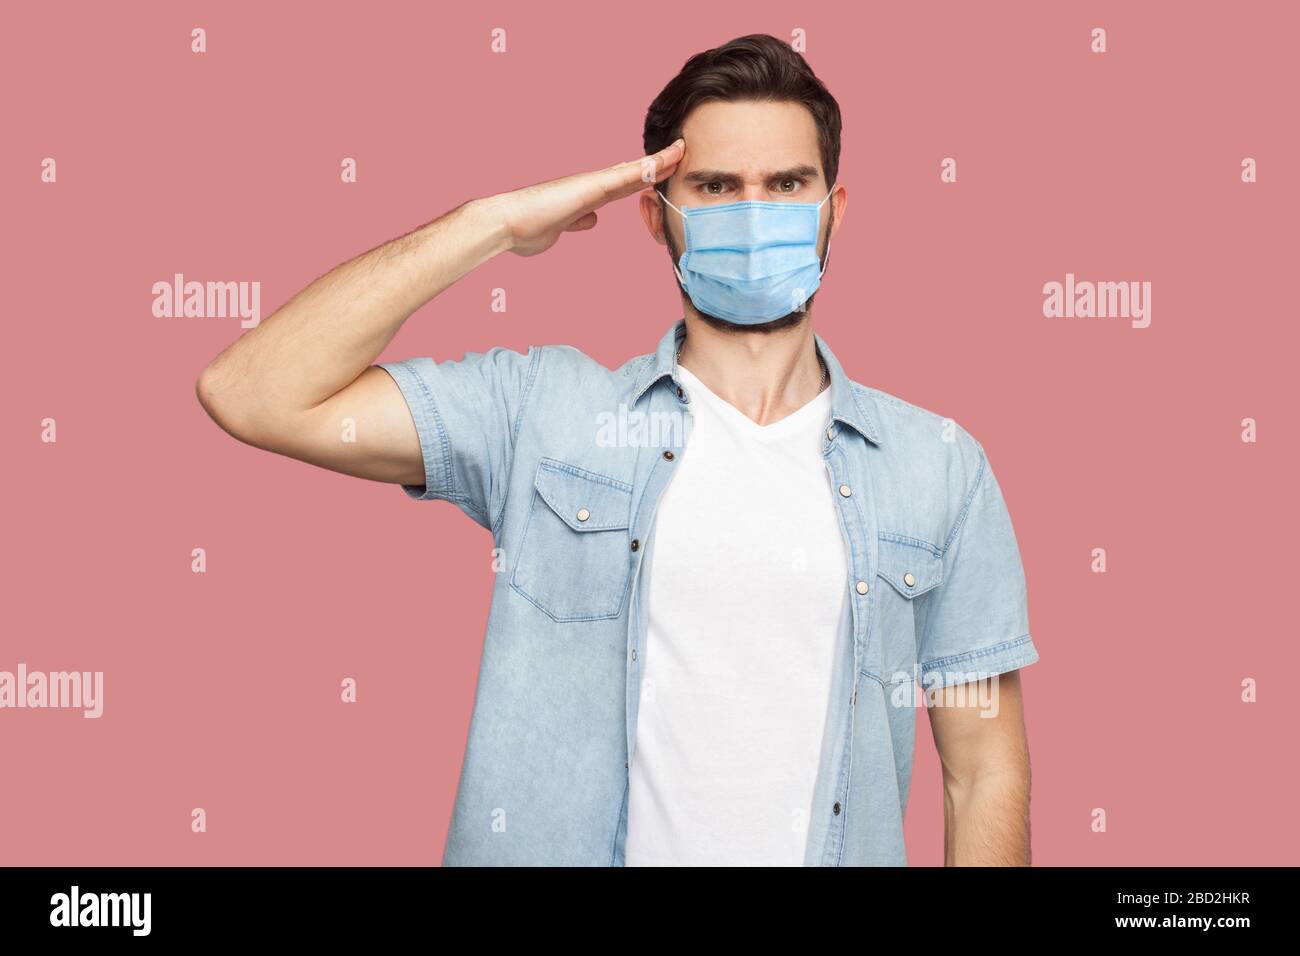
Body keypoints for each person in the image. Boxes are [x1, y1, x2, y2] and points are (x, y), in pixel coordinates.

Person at [196, 34, 1040, 866]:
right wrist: (489, 224)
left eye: (786, 185)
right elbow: (255, 393)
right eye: (715, 187)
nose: (753, 213)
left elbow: (982, 771)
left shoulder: (939, 468)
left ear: (834, 209)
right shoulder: (542, 413)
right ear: (657, 214)